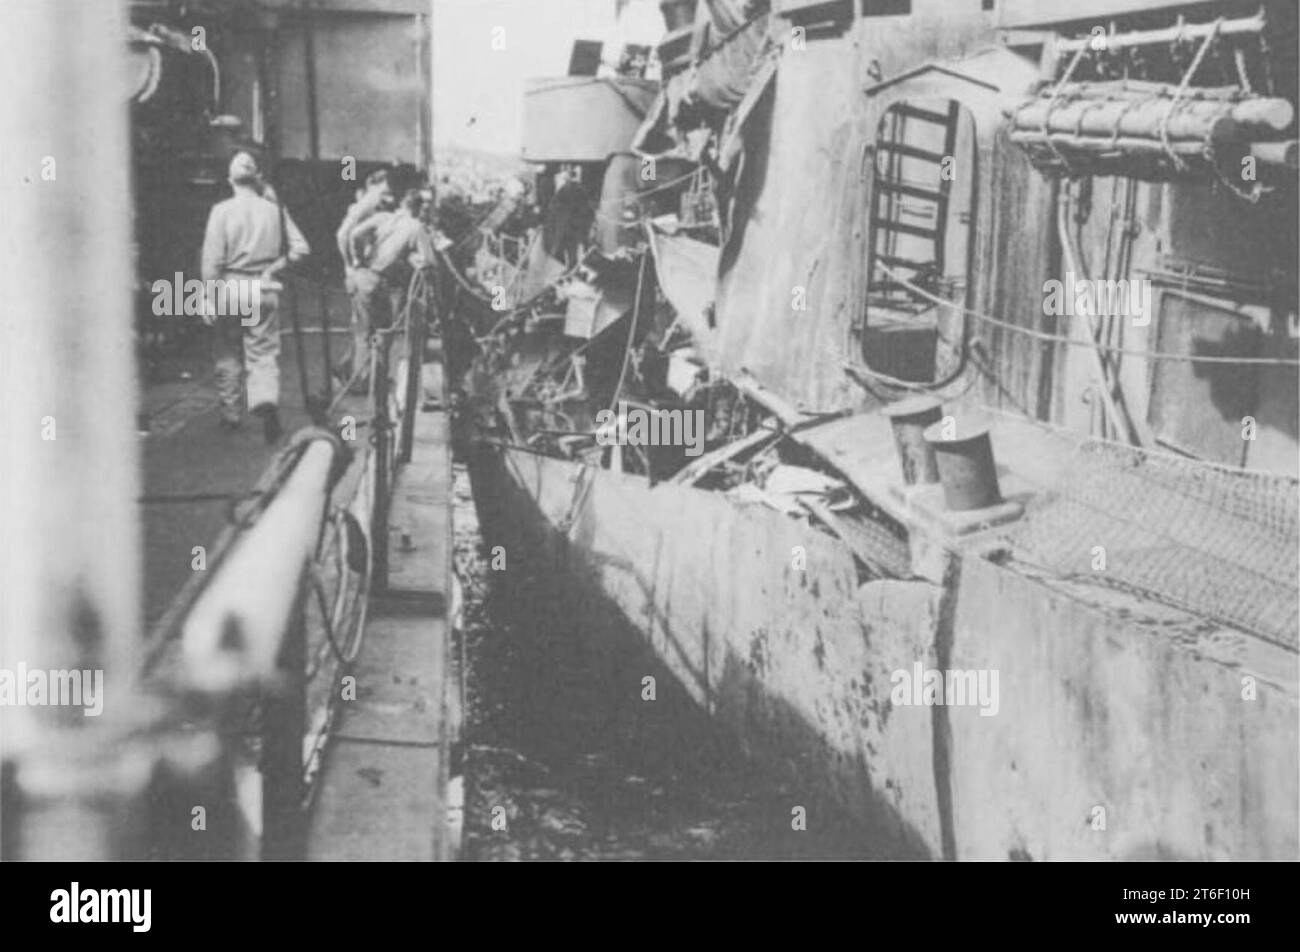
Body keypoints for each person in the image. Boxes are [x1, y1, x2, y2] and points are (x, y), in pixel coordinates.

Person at [200, 151, 309, 442]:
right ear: (257, 178)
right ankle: (265, 403)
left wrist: (207, 297)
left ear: (230, 180)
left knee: (226, 349)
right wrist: (273, 269)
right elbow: (300, 249)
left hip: (230, 287)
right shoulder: (274, 210)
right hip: (263, 288)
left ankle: (231, 414)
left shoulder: (220, 211)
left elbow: (211, 261)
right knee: (263, 351)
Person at [348, 190, 427, 365]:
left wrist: (357, 258)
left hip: (363, 275)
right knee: (384, 331)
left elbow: (354, 234)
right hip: (383, 282)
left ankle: (360, 377)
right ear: (418, 209)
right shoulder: (415, 226)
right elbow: (428, 261)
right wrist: (409, 258)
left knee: (362, 330)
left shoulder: (383, 217)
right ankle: (378, 380)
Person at [336, 169, 394, 390]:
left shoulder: (373, 202)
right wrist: (351, 264)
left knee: (365, 325)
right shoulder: (370, 201)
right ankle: (360, 381)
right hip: (363, 272)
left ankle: (351, 369)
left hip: (366, 271)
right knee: (366, 329)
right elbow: (343, 234)